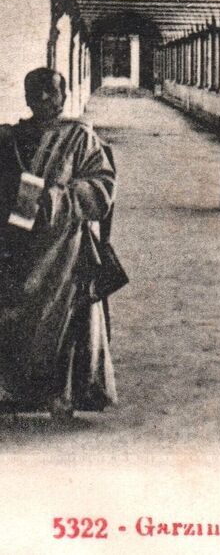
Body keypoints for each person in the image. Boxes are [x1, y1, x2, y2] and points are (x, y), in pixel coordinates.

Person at [0, 68, 120, 417]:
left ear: (63, 96)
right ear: (25, 96)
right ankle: (15, 389)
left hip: (62, 249)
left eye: (50, 91)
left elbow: (102, 188)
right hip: (16, 244)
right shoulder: (9, 138)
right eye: (34, 91)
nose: (42, 98)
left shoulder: (80, 137)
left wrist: (53, 199)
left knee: (60, 319)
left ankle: (59, 392)